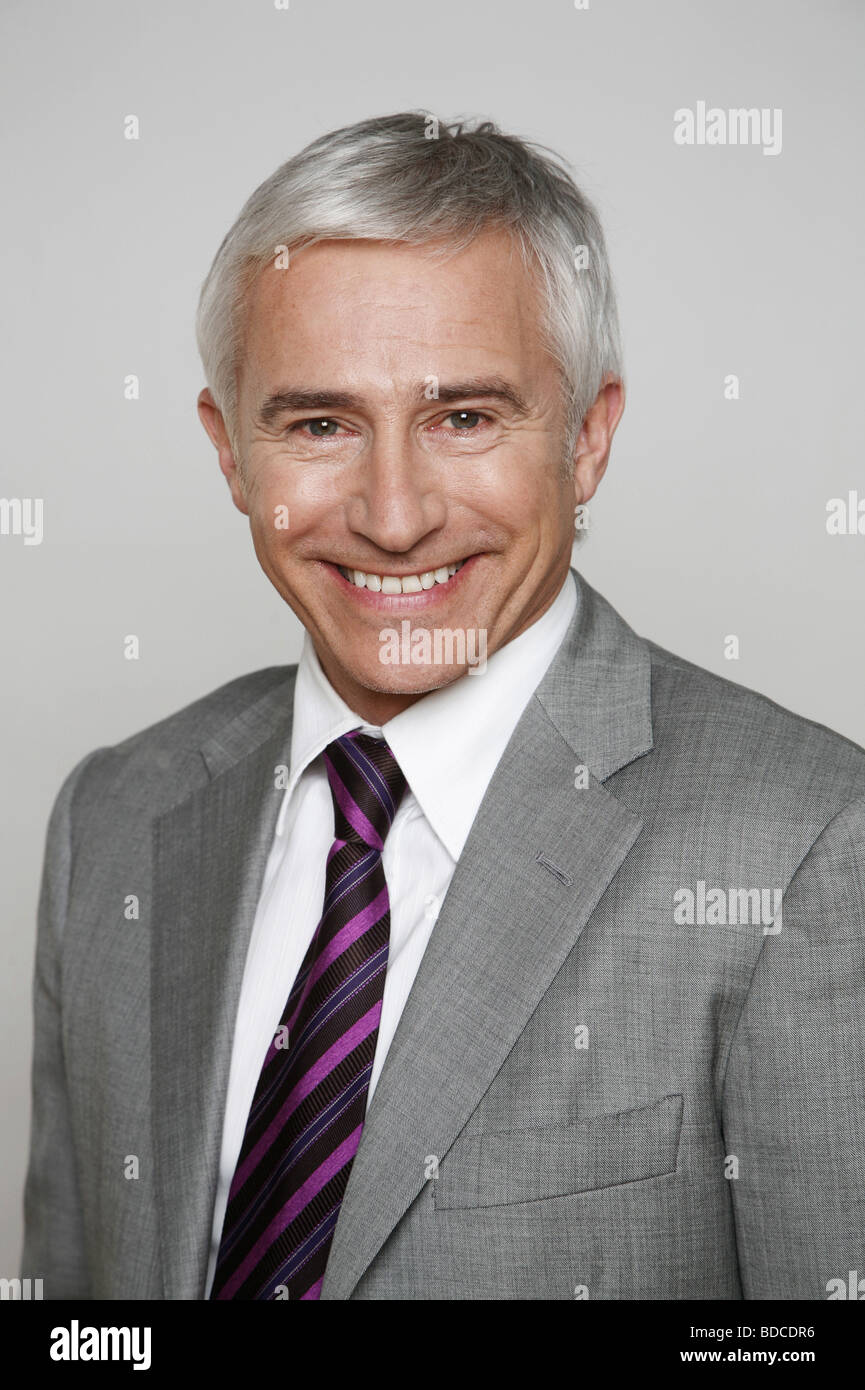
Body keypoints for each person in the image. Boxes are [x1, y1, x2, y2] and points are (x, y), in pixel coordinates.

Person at [21, 111, 865, 1300]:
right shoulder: (111, 817)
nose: (395, 513)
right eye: (319, 425)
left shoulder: (809, 845)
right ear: (229, 455)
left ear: (585, 441)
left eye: (463, 418)